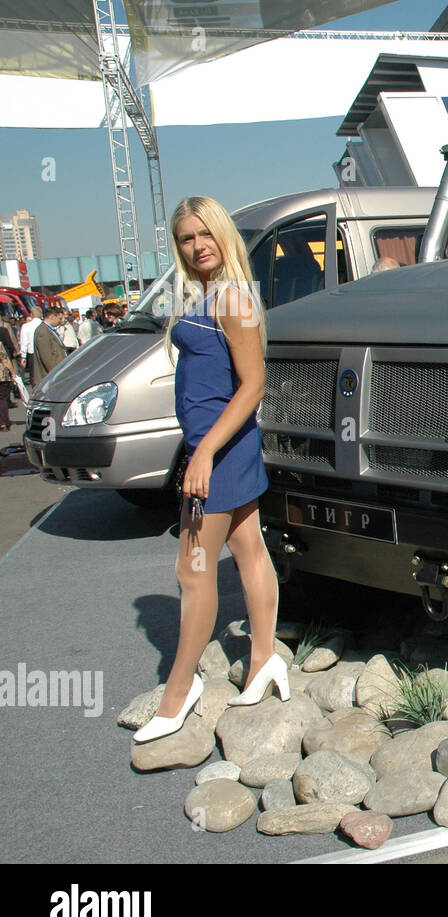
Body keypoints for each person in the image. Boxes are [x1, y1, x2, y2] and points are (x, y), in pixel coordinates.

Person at [132, 196, 282, 744]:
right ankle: (263, 656)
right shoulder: (206, 296)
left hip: (217, 454)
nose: (197, 247)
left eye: (205, 235)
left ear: (222, 235)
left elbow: (253, 385)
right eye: (186, 238)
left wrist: (202, 453)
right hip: (218, 448)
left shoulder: (235, 300)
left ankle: (179, 692)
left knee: (193, 573)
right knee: (249, 549)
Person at [30, 308, 68, 389]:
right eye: (59, 318)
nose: (60, 321)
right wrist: (56, 374)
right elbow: (46, 357)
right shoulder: (43, 332)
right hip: (50, 376)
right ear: (52, 317)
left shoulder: (49, 330)